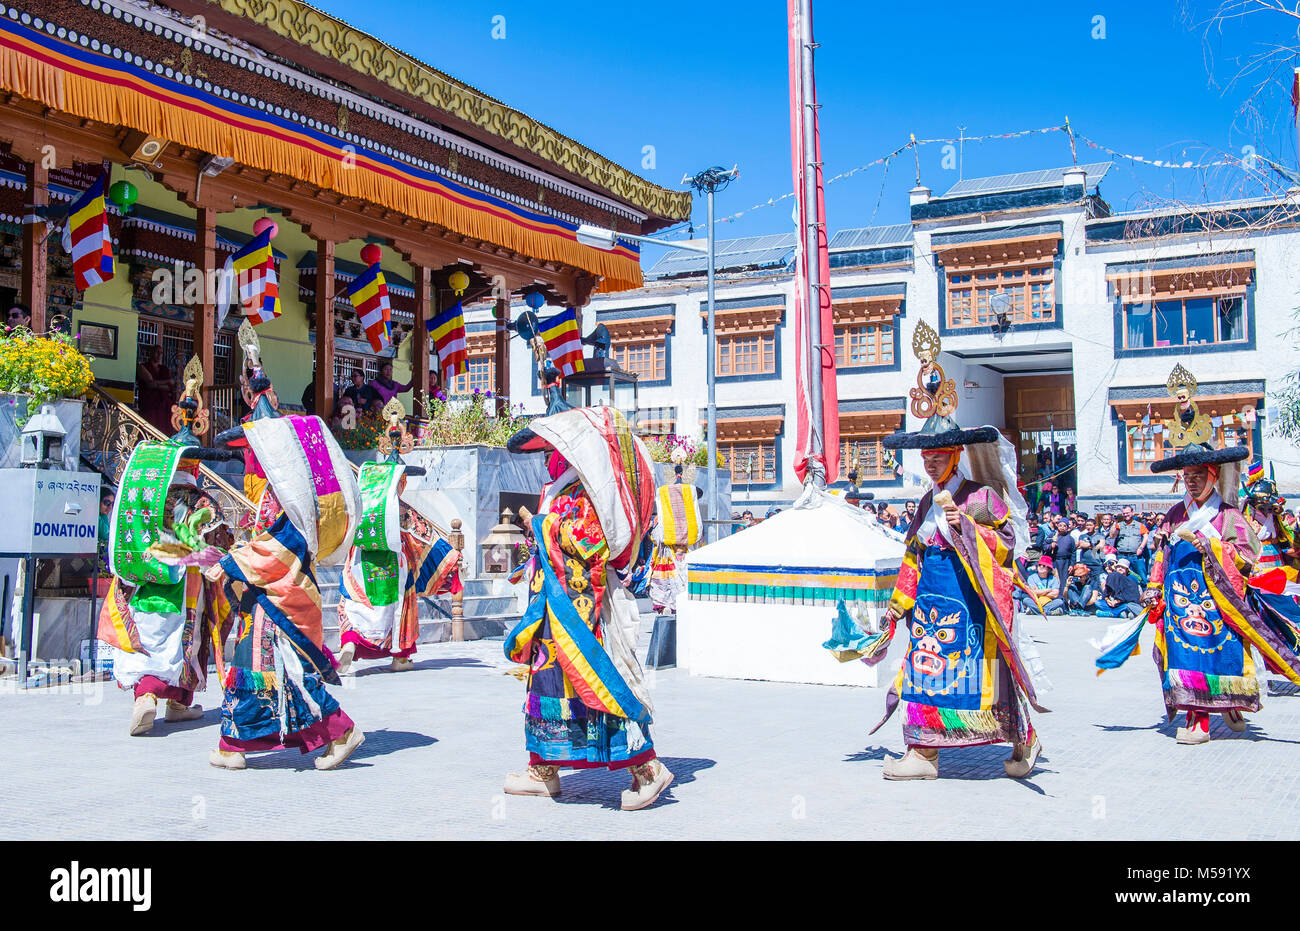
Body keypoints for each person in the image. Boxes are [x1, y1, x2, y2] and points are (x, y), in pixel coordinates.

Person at [855, 322, 1047, 781]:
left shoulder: (981, 498)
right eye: (926, 454)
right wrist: (896, 609)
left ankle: (1023, 741)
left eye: (940, 453)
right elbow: (913, 558)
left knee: (989, 682)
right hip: (929, 614)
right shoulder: (925, 503)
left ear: (957, 453)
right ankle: (923, 755)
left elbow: (1009, 546)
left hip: (973, 610)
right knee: (922, 678)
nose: (932, 459)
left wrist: (971, 532)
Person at [206, 322, 365, 771]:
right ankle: (233, 746)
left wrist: (234, 563)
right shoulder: (276, 495)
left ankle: (341, 729)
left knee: (288, 674)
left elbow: (280, 546)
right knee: (263, 670)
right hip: (274, 596)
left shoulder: (290, 500)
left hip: (285, 596)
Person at [501, 404, 673, 810]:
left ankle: (648, 769)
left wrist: (540, 524)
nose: (548, 459)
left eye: (553, 451)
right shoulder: (564, 487)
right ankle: (543, 770)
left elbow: (590, 540)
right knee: (548, 691)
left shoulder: (588, 488)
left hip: (583, 613)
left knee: (600, 684)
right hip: (554, 612)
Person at [1136, 365, 1300, 744]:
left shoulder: (1228, 515)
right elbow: (1161, 551)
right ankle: (1204, 710)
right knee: (1184, 657)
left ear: (1213, 475)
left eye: (1198, 474)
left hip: (1218, 601)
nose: (1191, 480)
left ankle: (1214, 712)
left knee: (1216, 655)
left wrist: (1210, 545)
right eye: (1186, 475)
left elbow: (1245, 556)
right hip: (1181, 602)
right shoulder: (1176, 514)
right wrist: (1154, 586)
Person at [98, 360, 235, 736]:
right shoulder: (198, 498)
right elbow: (219, 538)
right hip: (186, 580)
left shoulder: (144, 494)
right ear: (194, 465)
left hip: (143, 578)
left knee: (148, 633)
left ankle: (159, 700)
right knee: (185, 637)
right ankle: (161, 698)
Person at [337, 405, 461, 673]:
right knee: (399, 607)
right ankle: (400, 657)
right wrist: (450, 556)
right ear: (400, 482)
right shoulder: (401, 510)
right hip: (394, 566)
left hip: (359, 564)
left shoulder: (365, 502)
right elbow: (423, 536)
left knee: (354, 605)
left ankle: (349, 642)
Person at [136, 344, 176, 435]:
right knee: (148, 429)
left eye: (161, 353)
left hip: (164, 405)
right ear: (151, 353)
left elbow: (170, 387)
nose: (159, 355)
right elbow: (149, 384)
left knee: (164, 431)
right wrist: (167, 382)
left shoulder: (164, 369)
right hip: (149, 404)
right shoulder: (144, 367)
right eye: (157, 352)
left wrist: (156, 384)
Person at [1048, 516, 1076, 590]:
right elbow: (1044, 546)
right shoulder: (1052, 535)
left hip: (1065, 562)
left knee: (1064, 580)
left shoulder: (1070, 538)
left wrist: (1072, 564)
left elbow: (1073, 552)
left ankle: (1063, 596)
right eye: (1060, 525)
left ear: (1067, 527)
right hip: (1054, 561)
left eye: (1064, 526)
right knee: (1055, 579)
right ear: (1057, 525)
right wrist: (1051, 545)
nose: (1062, 527)